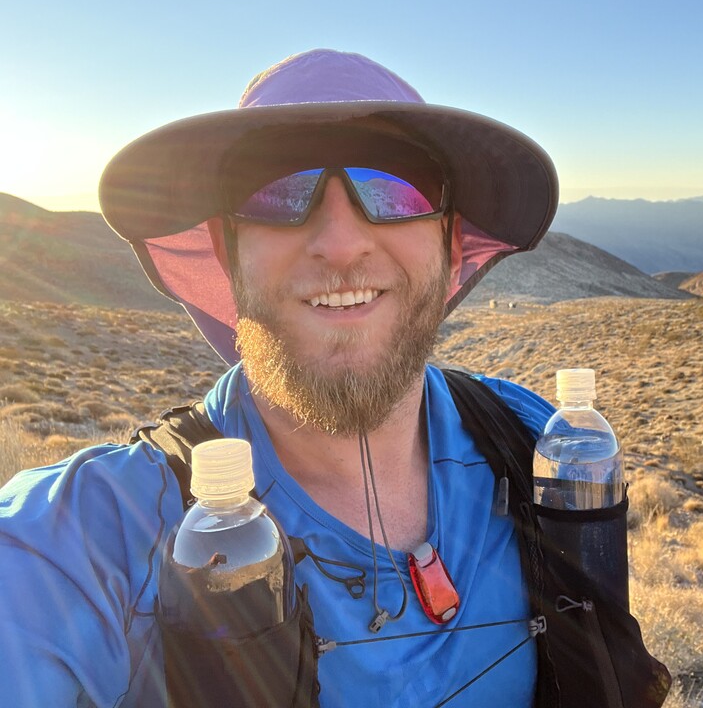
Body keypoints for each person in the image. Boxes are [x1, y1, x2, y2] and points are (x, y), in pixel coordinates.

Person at [0, 49, 562, 706]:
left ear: (453, 242)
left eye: (395, 187)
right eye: (276, 192)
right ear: (224, 249)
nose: (340, 243)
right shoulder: (91, 537)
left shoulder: (537, 443)